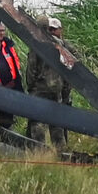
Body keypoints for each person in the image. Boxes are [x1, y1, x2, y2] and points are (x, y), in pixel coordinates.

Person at [25, 16, 73, 151]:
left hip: (40, 88)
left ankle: (39, 151)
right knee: (56, 122)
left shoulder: (36, 43)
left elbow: (32, 69)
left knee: (37, 122)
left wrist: (30, 86)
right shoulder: (59, 43)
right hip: (56, 87)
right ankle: (61, 151)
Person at [0, 23, 23, 129]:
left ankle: (6, 134)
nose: (2, 33)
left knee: (8, 115)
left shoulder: (7, 46)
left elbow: (15, 61)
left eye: (3, 30)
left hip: (10, 86)